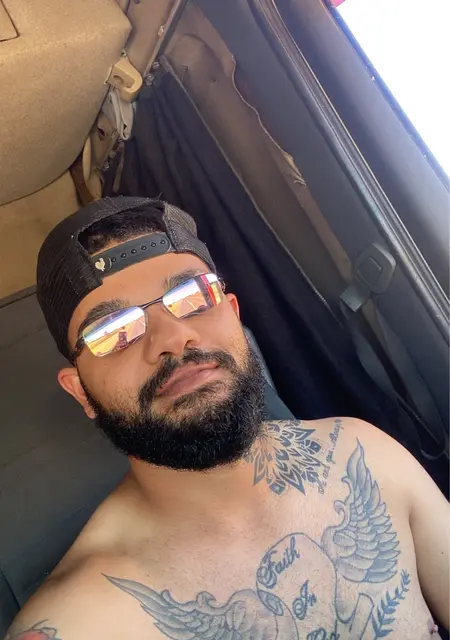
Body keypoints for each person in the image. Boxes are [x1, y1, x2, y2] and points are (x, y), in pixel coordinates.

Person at [5, 197, 448, 640]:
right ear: (81, 391)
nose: (174, 337)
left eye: (193, 297)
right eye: (113, 332)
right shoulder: (81, 618)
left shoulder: (364, 453)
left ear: (233, 315)